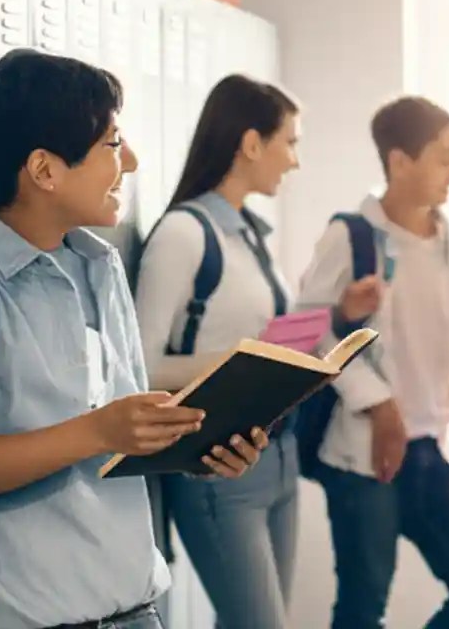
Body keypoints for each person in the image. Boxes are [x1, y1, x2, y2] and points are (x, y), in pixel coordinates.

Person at [0, 49, 263, 629]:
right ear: (44, 170)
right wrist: (98, 430)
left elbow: (116, 439)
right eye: (114, 144)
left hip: (136, 611)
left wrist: (199, 452)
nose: (132, 162)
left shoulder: (101, 265)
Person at [297, 96, 449, 629]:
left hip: (435, 452)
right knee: (362, 610)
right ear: (399, 162)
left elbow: (436, 359)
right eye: (443, 157)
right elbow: (310, 333)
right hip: (366, 457)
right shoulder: (350, 236)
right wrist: (378, 403)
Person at [134, 74, 310, 628]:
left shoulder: (250, 232)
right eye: (290, 142)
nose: (295, 161)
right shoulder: (185, 234)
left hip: (277, 456)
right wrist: (240, 360)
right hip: (215, 467)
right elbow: (138, 365)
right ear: (251, 143)